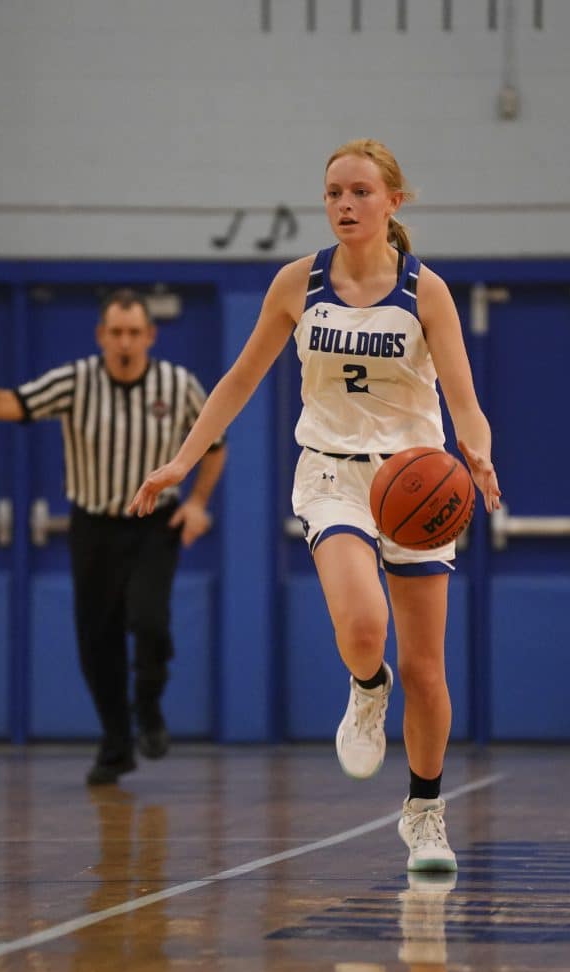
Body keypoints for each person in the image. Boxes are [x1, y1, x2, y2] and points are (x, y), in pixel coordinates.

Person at [130, 139, 502, 873]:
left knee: (427, 668)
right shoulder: (297, 284)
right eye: (334, 192)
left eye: (361, 192)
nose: (344, 205)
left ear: (392, 201)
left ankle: (424, 810)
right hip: (331, 473)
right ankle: (367, 688)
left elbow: (462, 398)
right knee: (366, 630)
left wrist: (479, 451)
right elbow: (238, 380)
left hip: (416, 477)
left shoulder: (425, 291)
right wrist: (182, 459)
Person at [0, 289, 226, 785]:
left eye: (134, 332)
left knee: (149, 620)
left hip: (155, 523)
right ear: (100, 336)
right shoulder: (76, 381)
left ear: (150, 336)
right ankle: (116, 744)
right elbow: (12, 404)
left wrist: (197, 503)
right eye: (116, 332)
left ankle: (149, 706)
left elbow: (214, 447)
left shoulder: (179, 386)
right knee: (97, 641)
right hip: (93, 525)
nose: (125, 341)